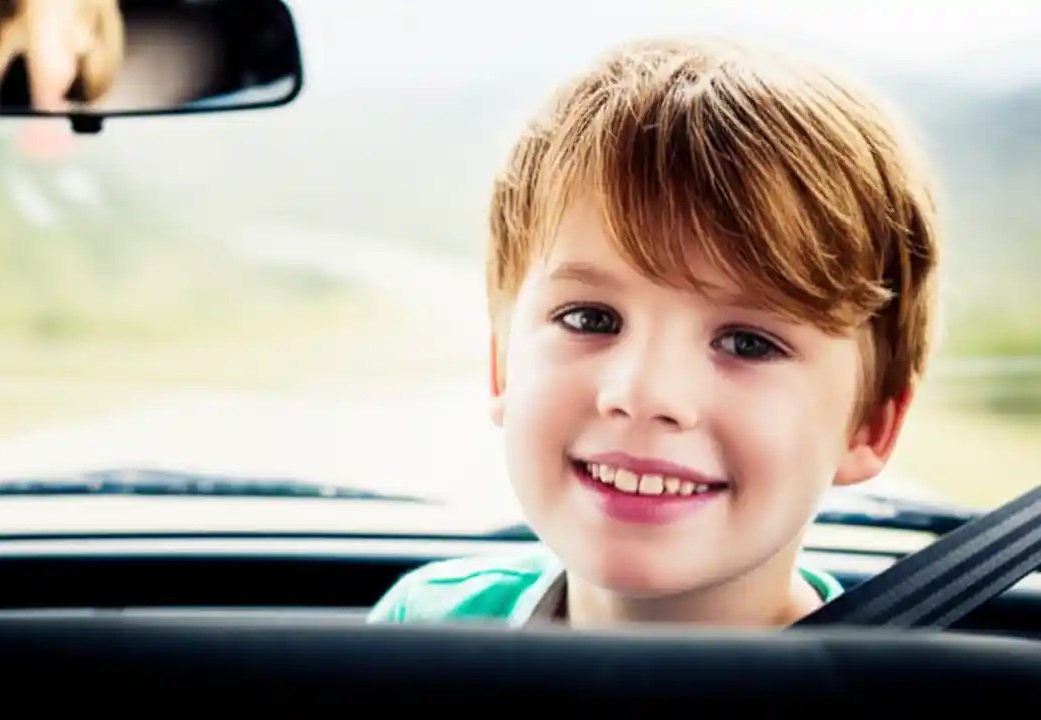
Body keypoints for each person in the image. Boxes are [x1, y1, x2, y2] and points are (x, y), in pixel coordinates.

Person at [367, 36, 941, 628]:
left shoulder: (899, 690)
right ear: (502, 369)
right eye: (590, 319)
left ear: (870, 425)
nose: (645, 393)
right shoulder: (421, 631)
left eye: (748, 343)